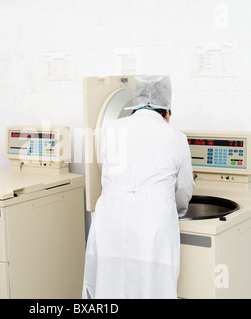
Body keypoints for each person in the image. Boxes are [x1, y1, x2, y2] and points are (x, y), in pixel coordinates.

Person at [82, 75, 195, 299]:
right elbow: (184, 189)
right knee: (152, 288)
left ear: (135, 105)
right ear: (167, 111)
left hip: (110, 217)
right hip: (152, 221)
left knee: (107, 285)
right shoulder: (175, 137)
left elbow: (107, 170)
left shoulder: (112, 129)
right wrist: (179, 212)